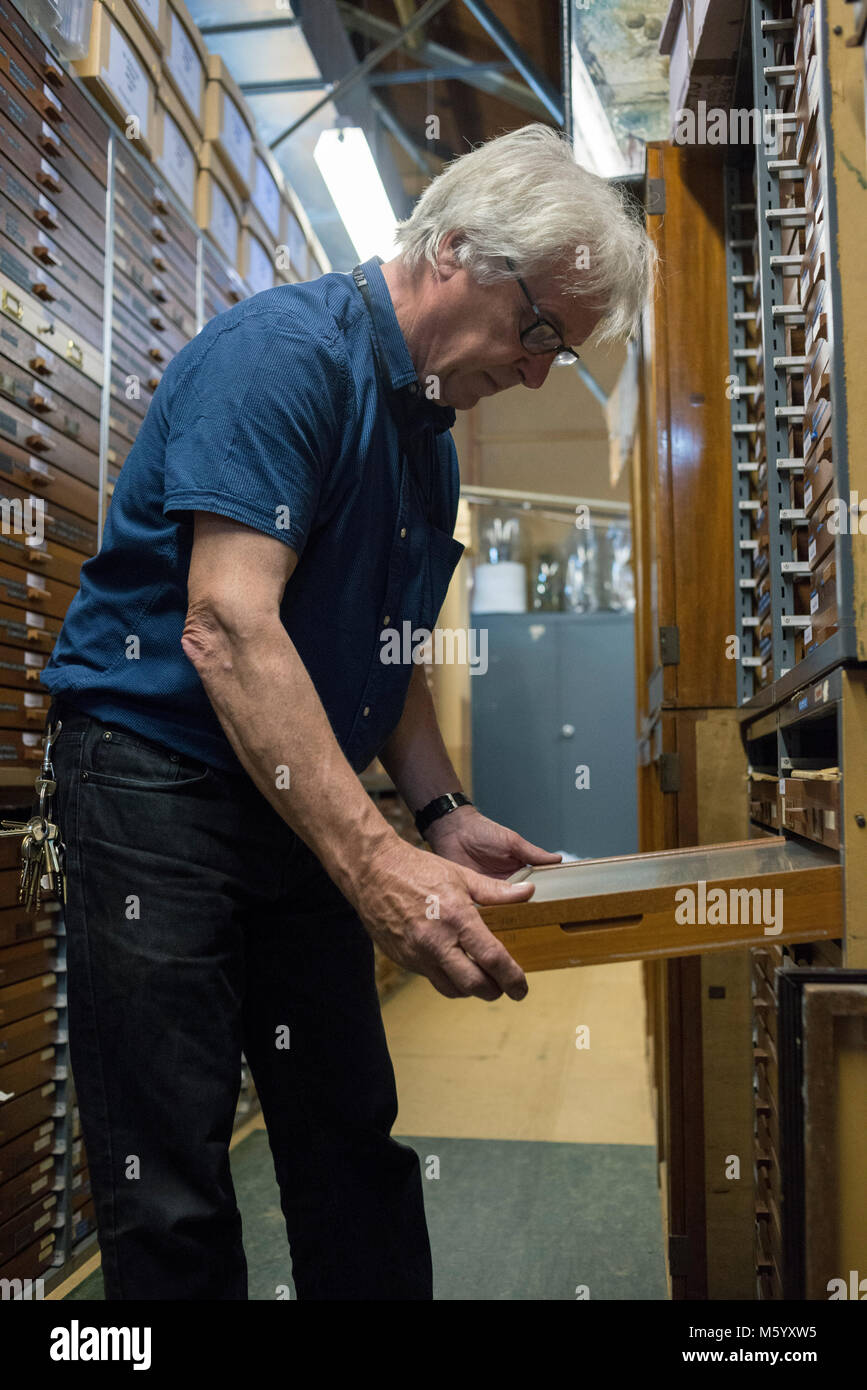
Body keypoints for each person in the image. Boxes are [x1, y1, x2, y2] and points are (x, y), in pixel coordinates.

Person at [40, 123, 655, 1300]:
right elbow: (227, 623)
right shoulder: (285, 356)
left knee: (346, 1140)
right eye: (539, 332)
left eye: (560, 356)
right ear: (461, 249)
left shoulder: (428, 443)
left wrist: (440, 810)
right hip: (157, 785)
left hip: (293, 781)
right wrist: (371, 859)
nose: (535, 372)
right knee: (168, 1177)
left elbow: (388, 648)